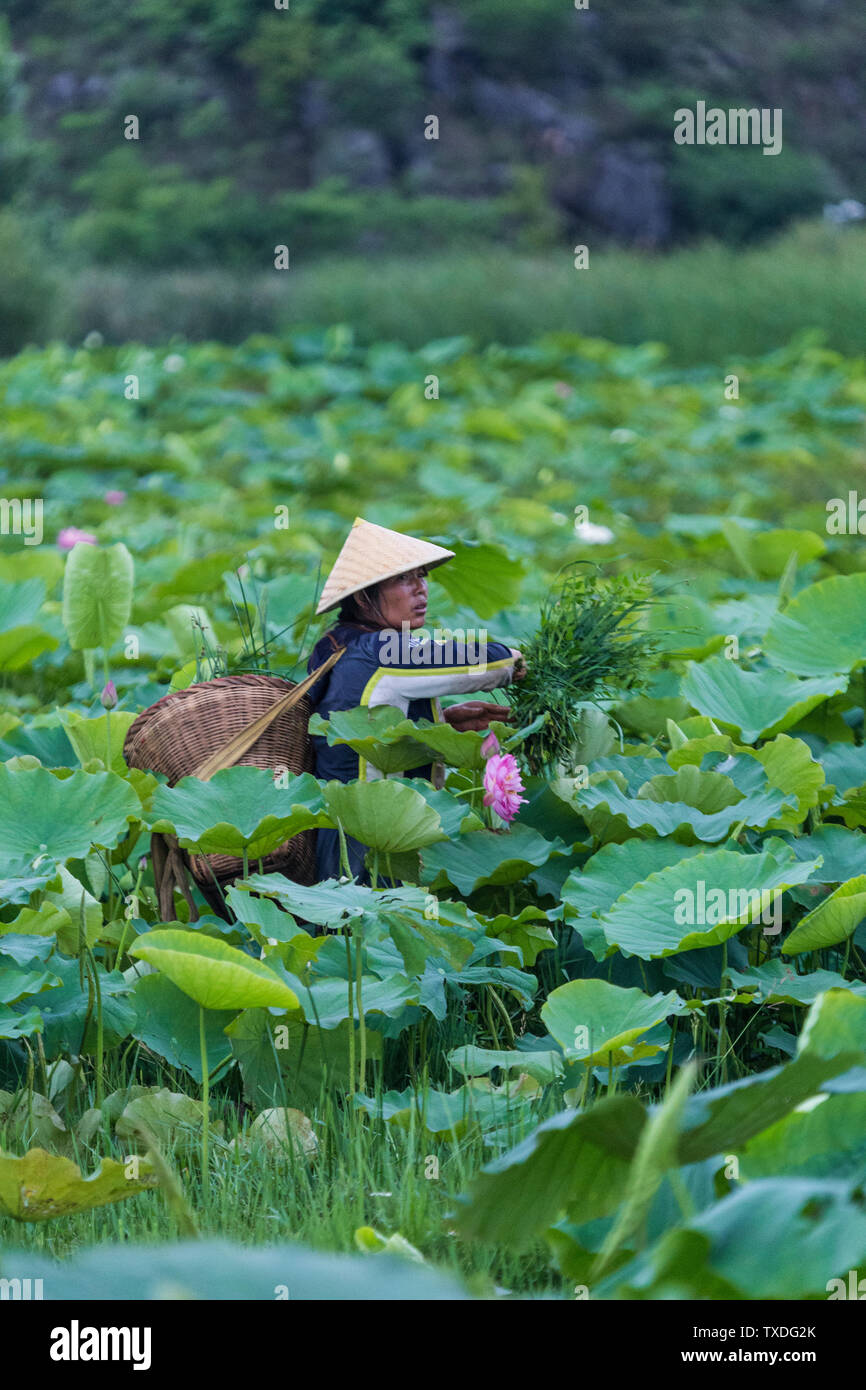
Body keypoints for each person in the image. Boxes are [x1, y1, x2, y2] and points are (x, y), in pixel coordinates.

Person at [306, 517, 527, 884]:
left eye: (422, 576)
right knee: (368, 936)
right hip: (370, 839)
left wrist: (446, 726)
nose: (421, 590)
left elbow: (370, 714)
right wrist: (526, 662)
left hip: (342, 832)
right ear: (363, 596)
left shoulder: (340, 643)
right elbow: (489, 663)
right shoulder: (383, 648)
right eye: (404, 579)